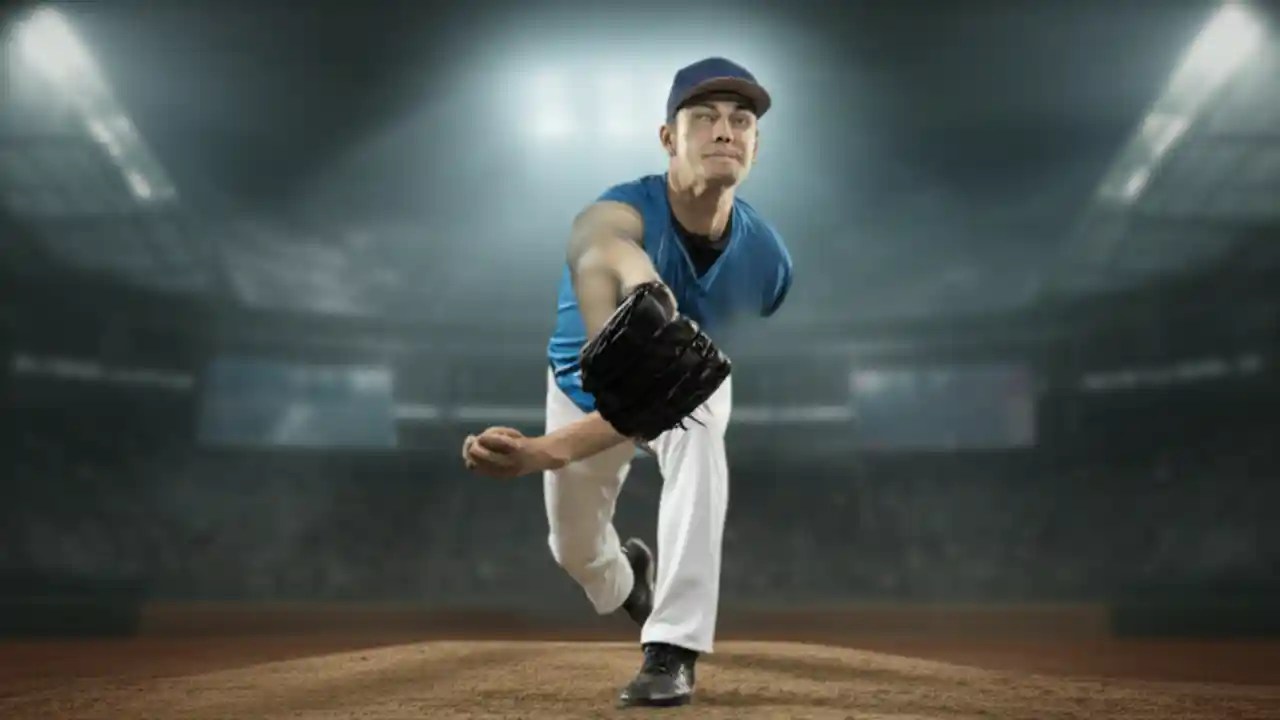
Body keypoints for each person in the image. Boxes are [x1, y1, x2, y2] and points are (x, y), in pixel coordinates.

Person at [461, 56, 792, 708]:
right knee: (575, 551)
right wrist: (640, 280)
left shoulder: (769, 264)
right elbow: (604, 247)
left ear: (756, 143)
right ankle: (629, 586)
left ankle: (672, 646)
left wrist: (542, 453)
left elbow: (672, 386)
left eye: (742, 119)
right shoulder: (611, 214)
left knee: (699, 437)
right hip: (580, 392)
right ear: (668, 137)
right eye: (704, 117)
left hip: (686, 384)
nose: (726, 130)